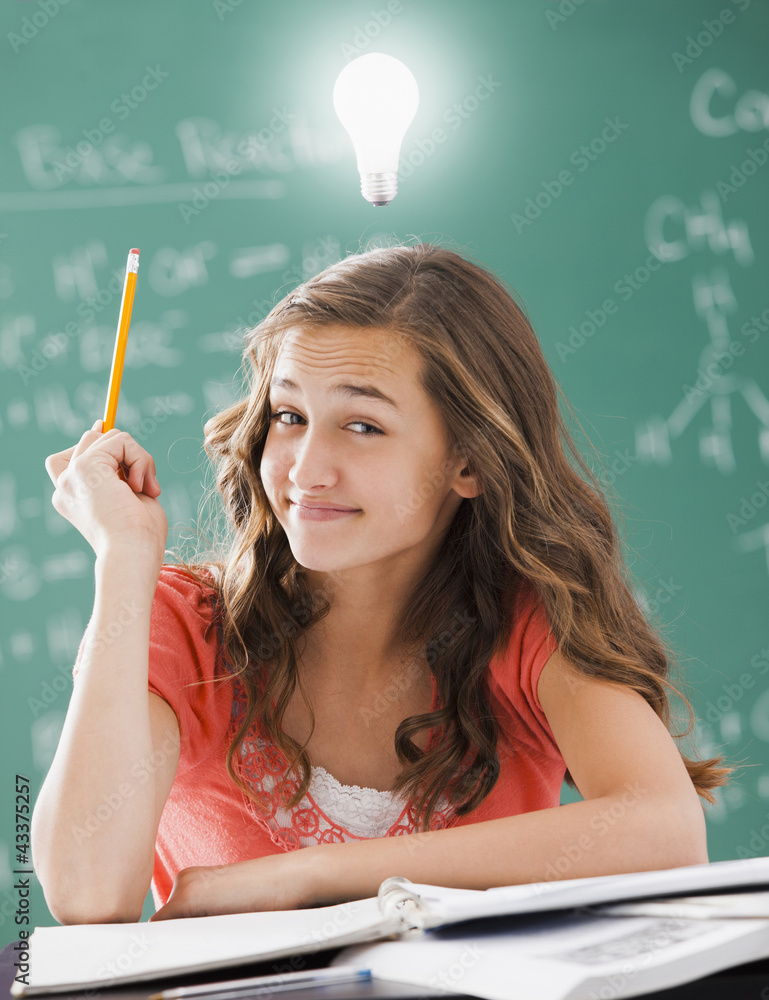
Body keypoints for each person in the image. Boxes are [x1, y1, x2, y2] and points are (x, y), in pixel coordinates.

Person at [33, 240, 730, 925]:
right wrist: (123, 558)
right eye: (289, 416)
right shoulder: (185, 626)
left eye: (362, 425)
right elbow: (89, 894)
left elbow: (664, 834)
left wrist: (306, 878)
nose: (306, 470)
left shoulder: (527, 623)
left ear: (469, 463)